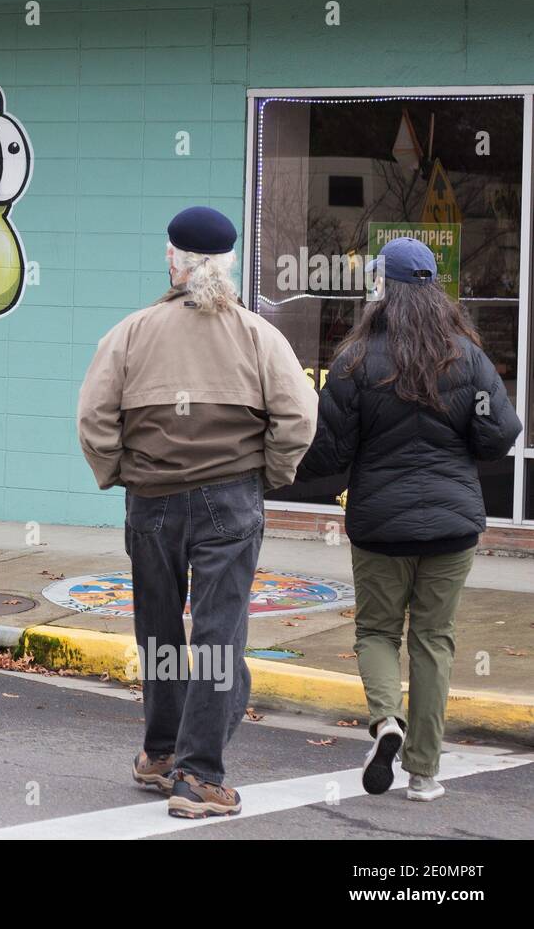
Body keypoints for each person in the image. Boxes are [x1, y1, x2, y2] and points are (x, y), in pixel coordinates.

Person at [77, 206, 317, 818]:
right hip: (230, 498)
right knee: (217, 634)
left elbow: (94, 419)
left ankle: (160, 752)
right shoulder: (258, 335)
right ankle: (199, 776)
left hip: (151, 499)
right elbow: (298, 418)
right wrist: (272, 475)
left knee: (157, 628)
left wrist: (119, 472)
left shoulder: (130, 333)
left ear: (172, 259)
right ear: (229, 266)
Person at [297, 237, 523, 802]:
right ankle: (424, 774)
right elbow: (498, 436)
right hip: (452, 527)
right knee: (434, 640)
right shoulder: (467, 356)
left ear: (384, 290)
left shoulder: (354, 359)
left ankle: (385, 722)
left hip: (379, 524)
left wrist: (282, 457)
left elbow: (329, 452)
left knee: (376, 631)